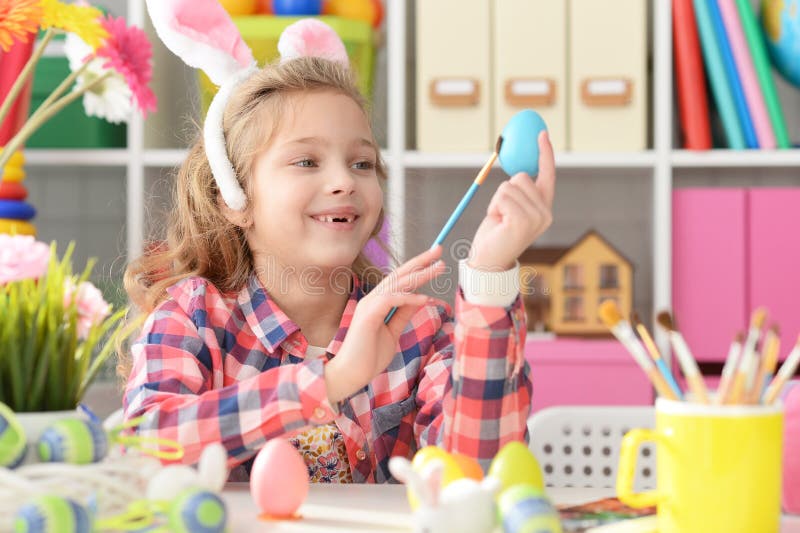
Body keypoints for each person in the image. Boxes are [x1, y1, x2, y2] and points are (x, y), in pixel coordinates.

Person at [121, 7, 555, 483]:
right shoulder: (193, 315)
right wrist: (332, 380)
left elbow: (479, 477)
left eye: (362, 163)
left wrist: (491, 274)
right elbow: (145, 450)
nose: (343, 181)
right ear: (235, 199)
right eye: (306, 161)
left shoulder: (421, 331)